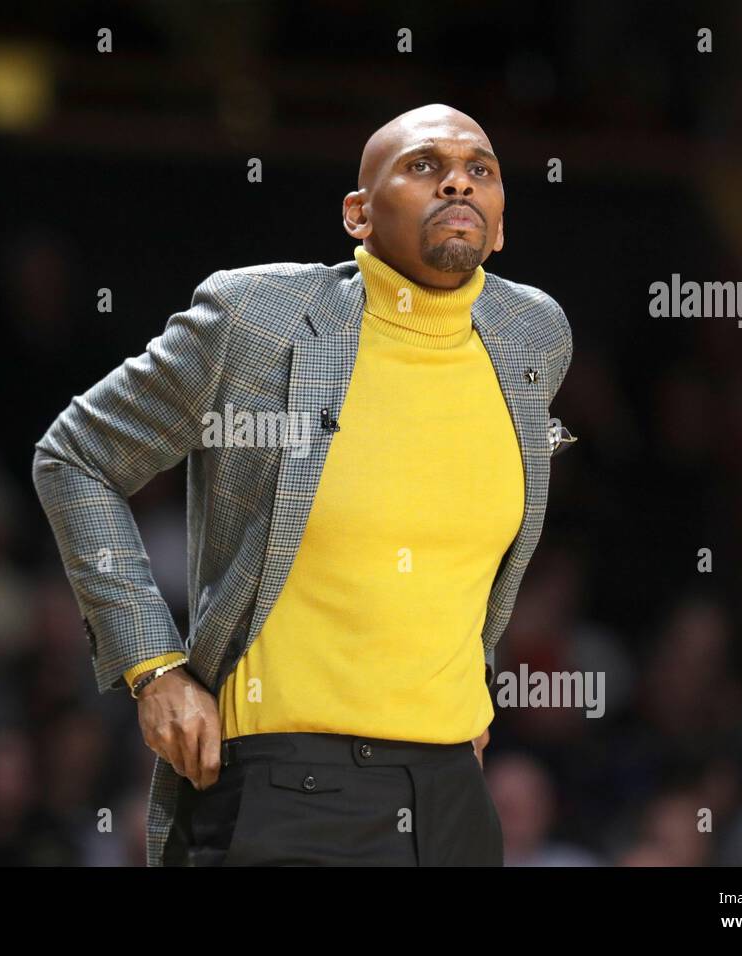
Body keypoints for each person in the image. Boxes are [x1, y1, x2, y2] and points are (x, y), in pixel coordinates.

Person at [32, 103, 574, 866]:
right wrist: (152, 668)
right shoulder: (260, 320)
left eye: (479, 170)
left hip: (452, 792)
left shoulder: (533, 334)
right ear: (358, 214)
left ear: (501, 220)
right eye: (424, 166)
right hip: (284, 788)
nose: (457, 181)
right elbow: (76, 454)